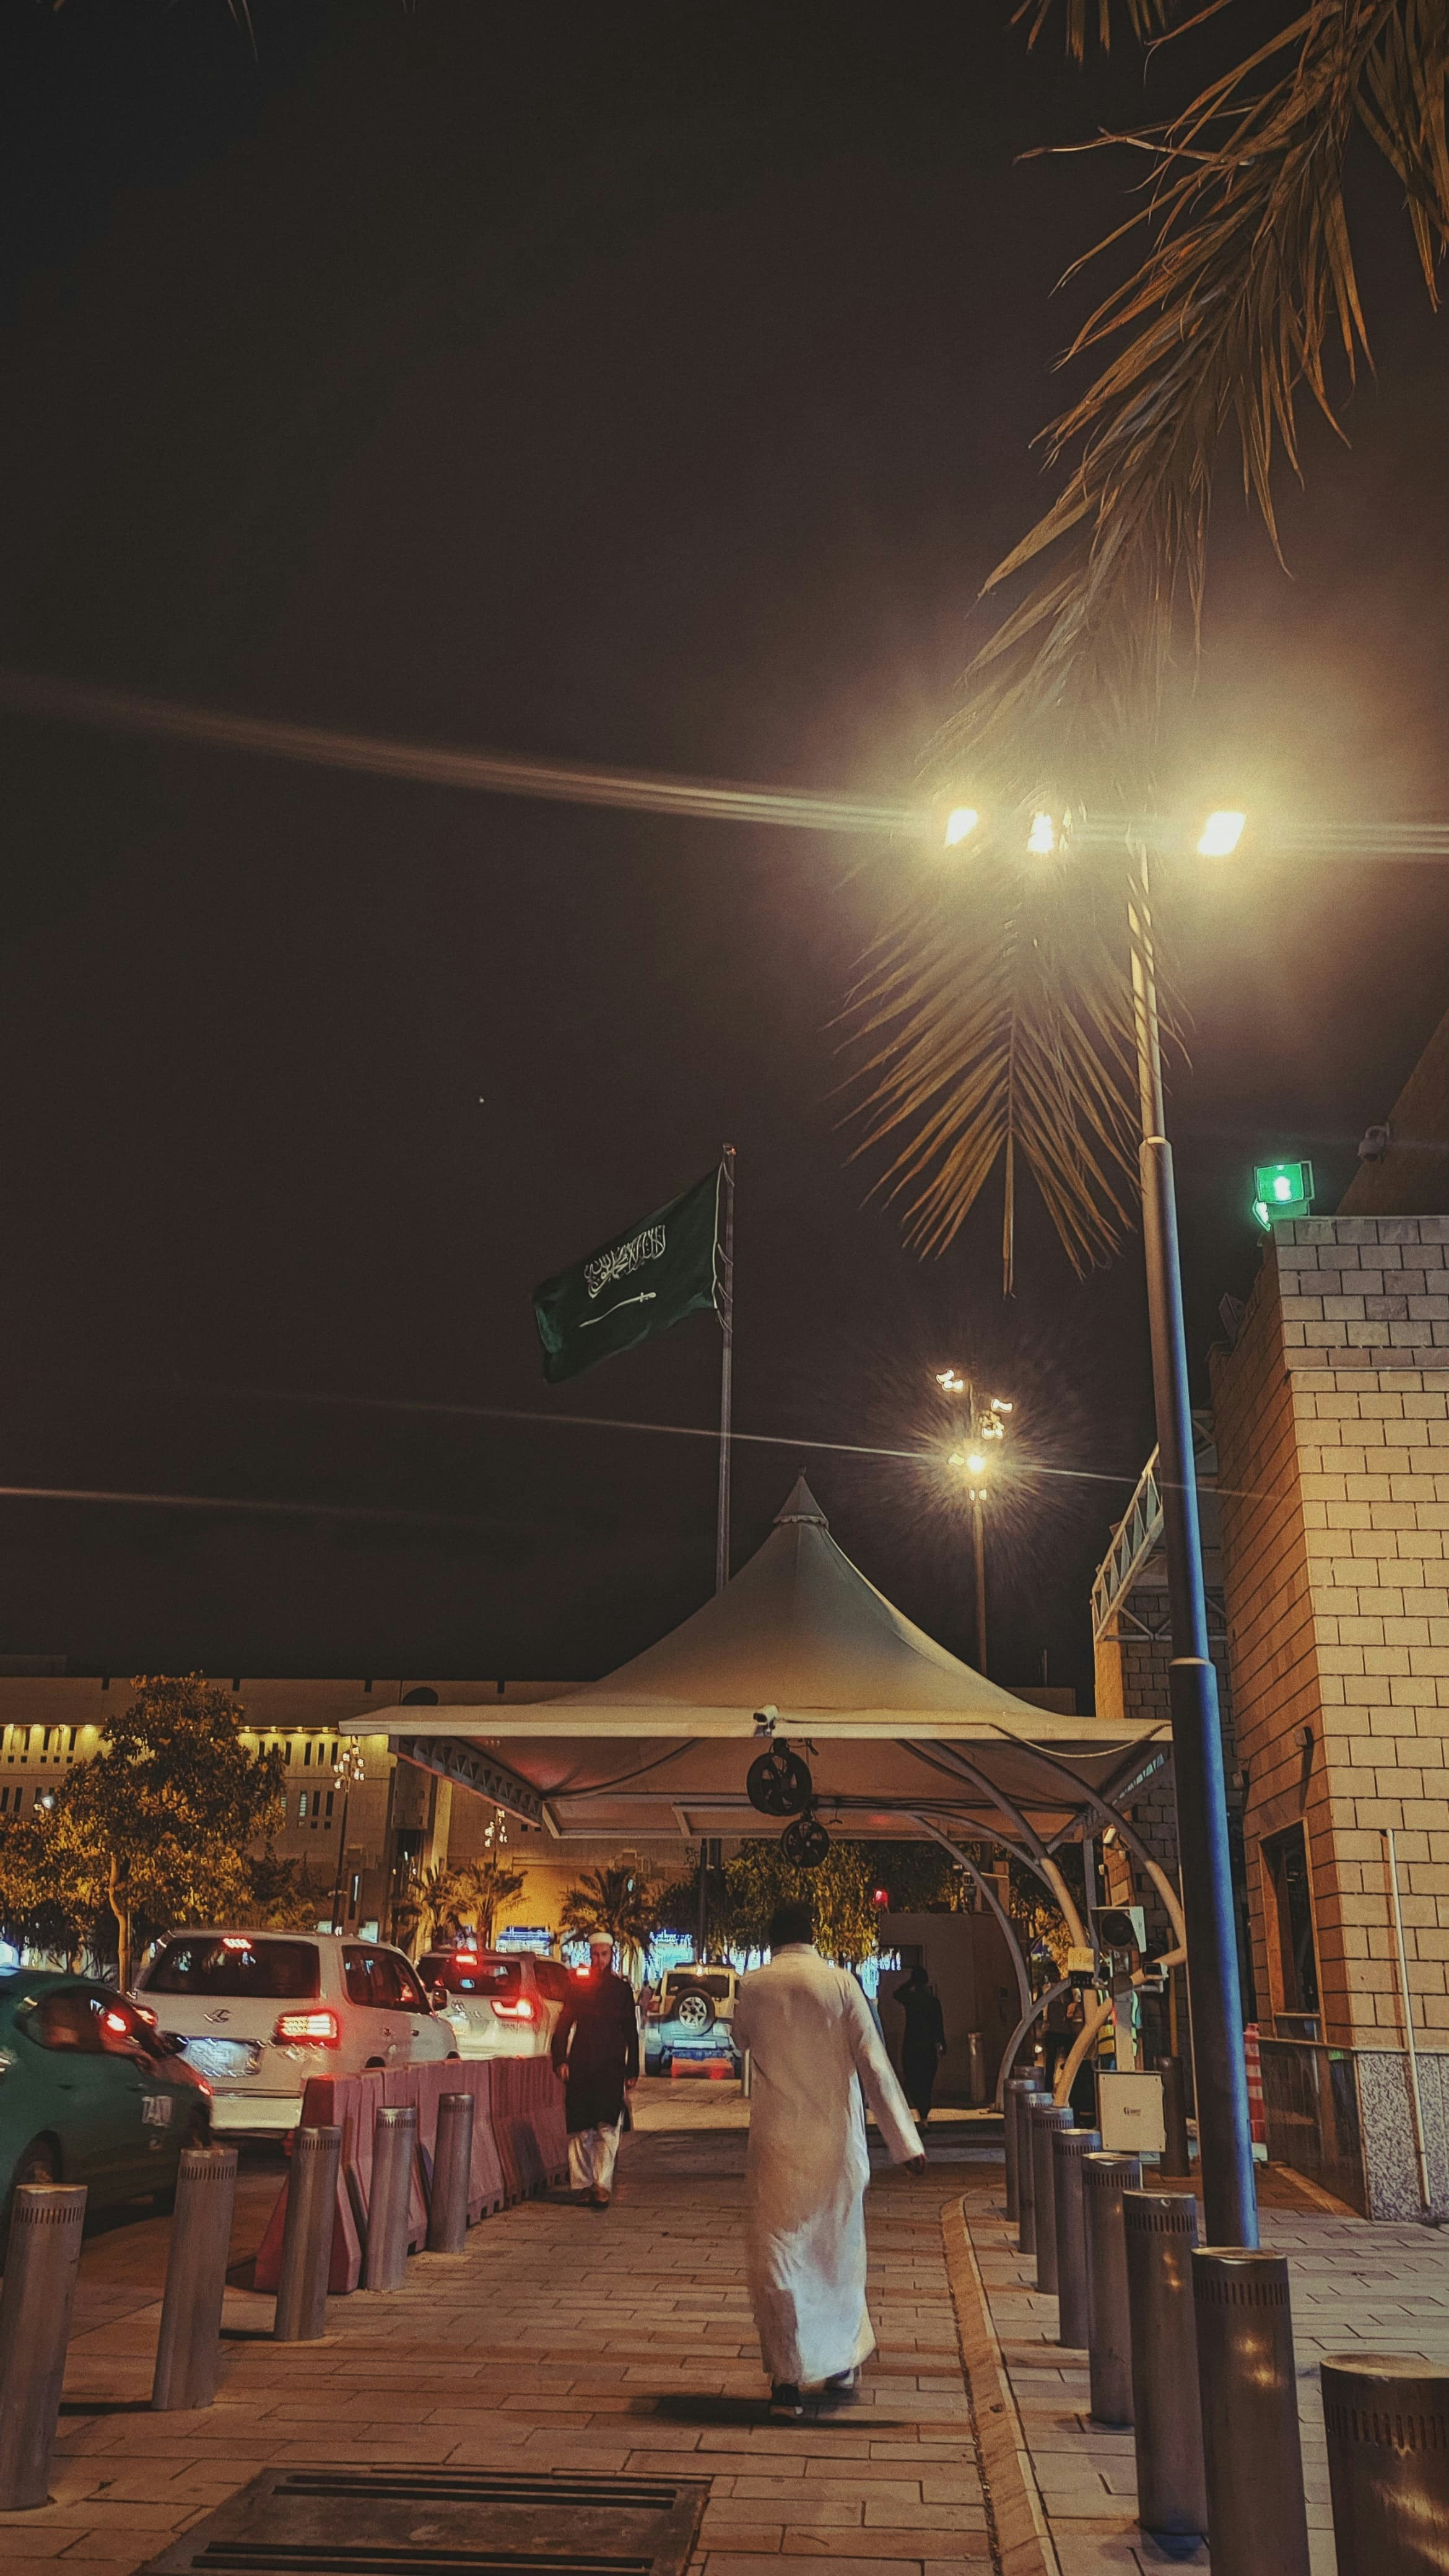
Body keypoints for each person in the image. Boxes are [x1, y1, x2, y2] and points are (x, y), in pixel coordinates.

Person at [733, 1897, 926, 2421]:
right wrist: (906, 2144)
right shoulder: (842, 1984)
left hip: (777, 2146)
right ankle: (840, 2361)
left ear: (772, 1938)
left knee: (778, 2258)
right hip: (836, 2146)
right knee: (836, 2256)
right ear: (812, 1935)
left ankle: (786, 2381)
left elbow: (740, 2039)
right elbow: (874, 2064)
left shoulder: (752, 1986)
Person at [550, 1929, 640, 2207]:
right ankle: (584, 2184)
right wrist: (560, 2060)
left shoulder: (622, 1990)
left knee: (608, 2128)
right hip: (582, 2065)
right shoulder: (578, 1988)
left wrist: (632, 2069)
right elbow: (563, 2025)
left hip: (611, 2067)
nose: (599, 1960)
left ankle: (602, 2184)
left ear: (612, 1955)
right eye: (595, 1955)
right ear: (590, 1956)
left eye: (604, 1955)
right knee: (581, 2130)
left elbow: (631, 2031)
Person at [892, 1964, 947, 2125]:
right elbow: (939, 2024)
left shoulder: (912, 2000)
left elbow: (897, 1994)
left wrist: (910, 1983)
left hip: (912, 2045)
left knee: (913, 2079)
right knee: (926, 2082)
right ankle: (924, 2117)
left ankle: (920, 2113)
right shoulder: (933, 2002)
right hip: (928, 2047)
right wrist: (942, 2043)